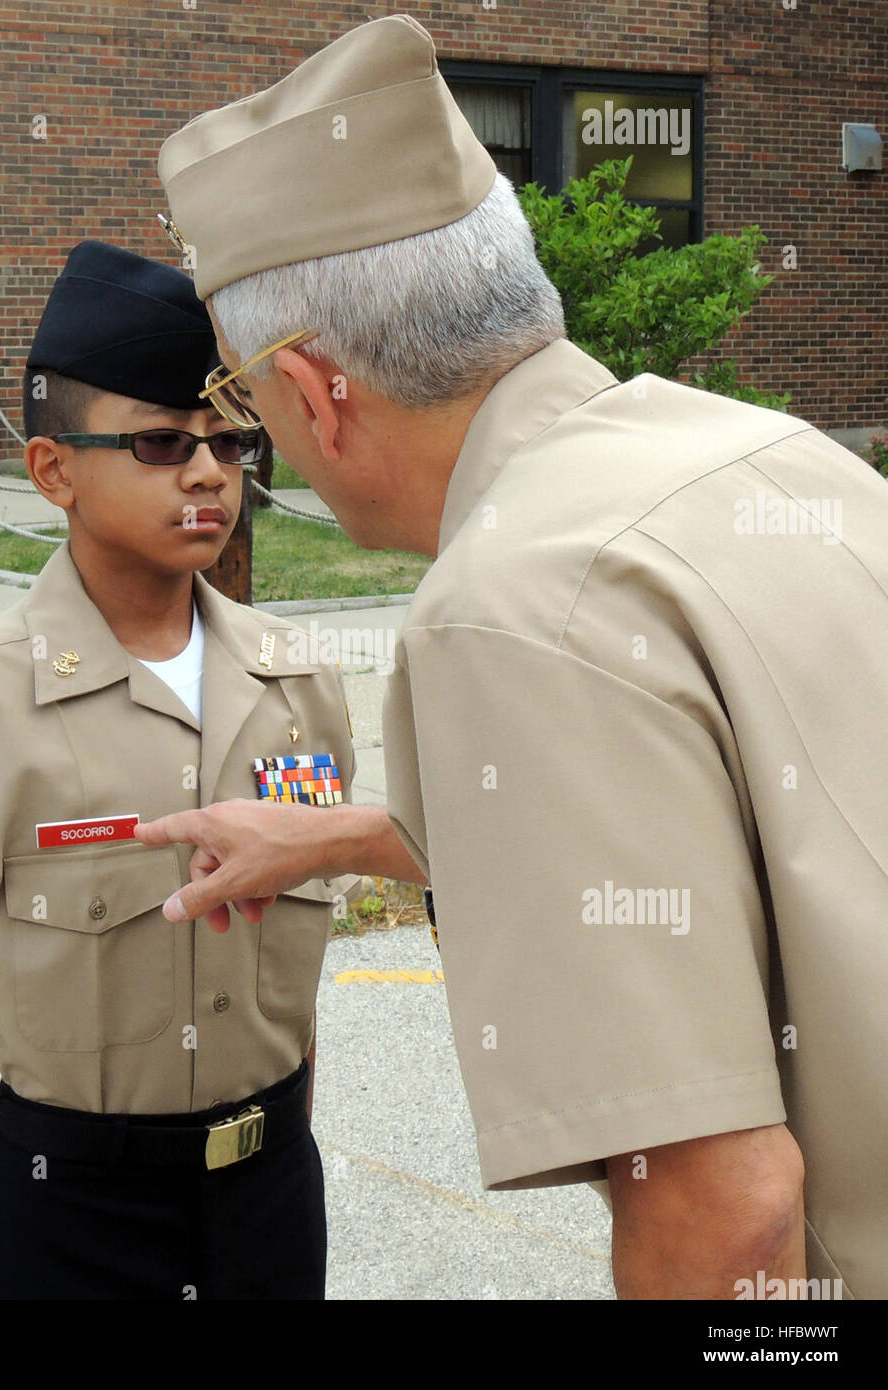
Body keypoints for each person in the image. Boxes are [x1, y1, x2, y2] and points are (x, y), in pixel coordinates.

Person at [142, 14, 888, 1299]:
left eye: (237, 400)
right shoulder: (777, 455)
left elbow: (724, 1212)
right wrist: (348, 834)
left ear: (315, 392)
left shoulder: (510, 606)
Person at [0, 240, 357, 1300]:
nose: (206, 472)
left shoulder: (299, 682)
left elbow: (291, 968)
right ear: (54, 467)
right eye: (159, 442)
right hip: (72, 1218)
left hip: (271, 1204)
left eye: (229, 443)